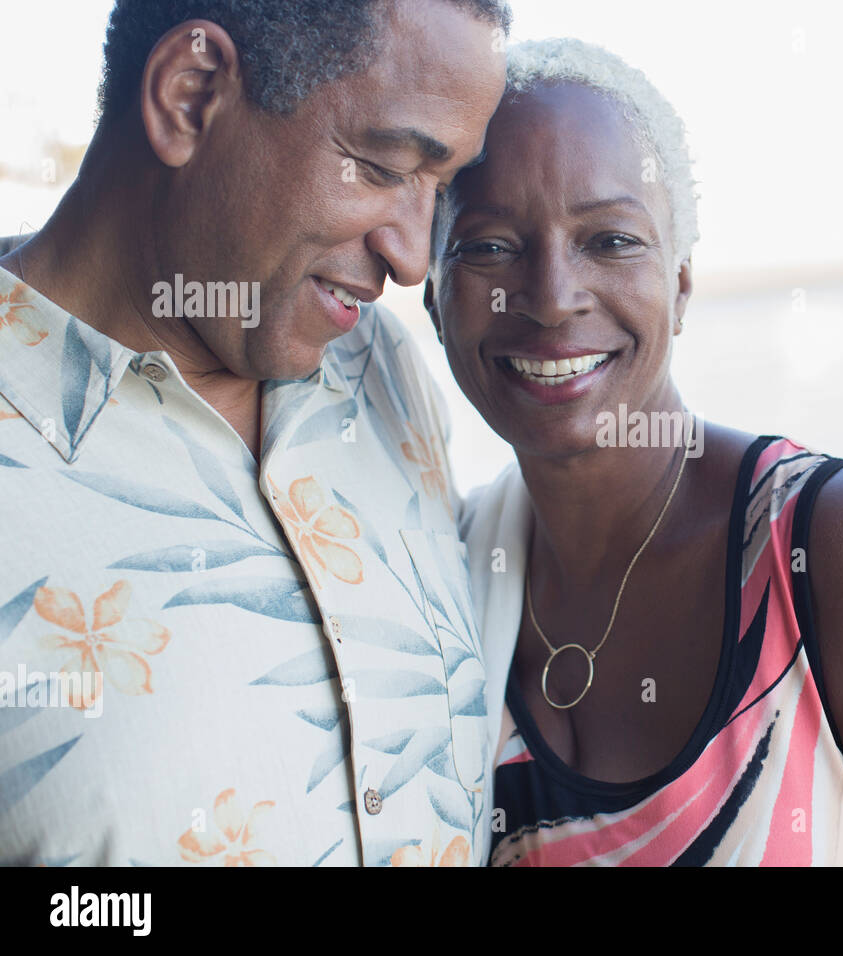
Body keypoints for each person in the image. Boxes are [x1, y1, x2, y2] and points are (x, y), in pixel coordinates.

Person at [429, 38, 843, 865]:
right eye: (490, 246)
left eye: (609, 240)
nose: (552, 297)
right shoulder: (442, 582)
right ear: (433, 296)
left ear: (680, 284)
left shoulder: (841, 544)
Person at [0, 0, 510, 867]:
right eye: (383, 165)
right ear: (190, 96)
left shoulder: (381, 372)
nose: (415, 256)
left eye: (445, 184)